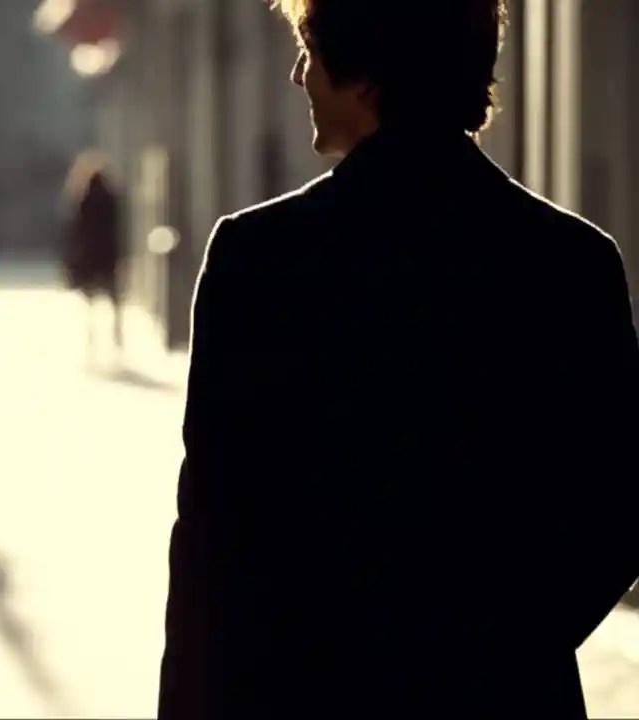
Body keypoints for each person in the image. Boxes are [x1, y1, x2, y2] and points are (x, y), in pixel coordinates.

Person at [160, 1, 639, 717]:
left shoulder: (259, 261)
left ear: (366, 78)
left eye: (310, 52)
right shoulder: (571, 263)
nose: (298, 75)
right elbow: (615, 510)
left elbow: (214, 544)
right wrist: (505, 642)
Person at [62, 151, 124, 360]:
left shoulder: (81, 198)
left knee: (90, 301)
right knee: (113, 298)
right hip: (107, 253)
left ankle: (92, 340)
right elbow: (117, 228)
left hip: (88, 255)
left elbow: (73, 231)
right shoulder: (110, 196)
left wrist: (71, 259)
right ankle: (116, 337)